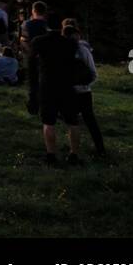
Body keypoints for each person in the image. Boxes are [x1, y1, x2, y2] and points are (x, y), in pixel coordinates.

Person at [27, 19, 86, 165]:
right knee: (73, 121)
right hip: (66, 84)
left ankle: (51, 154)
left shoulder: (39, 41)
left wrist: (32, 91)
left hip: (47, 84)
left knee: (48, 122)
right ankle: (74, 154)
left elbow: (31, 66)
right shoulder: (70, 43)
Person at [64, 19, 105, 157]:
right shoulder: (83, 50)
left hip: (68, 91)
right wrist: (85, 84)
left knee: (72, 122)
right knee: (90, 121)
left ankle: (73, 150)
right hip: (84, 91)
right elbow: (93, 73)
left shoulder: (60, 51)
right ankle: (100, 149)